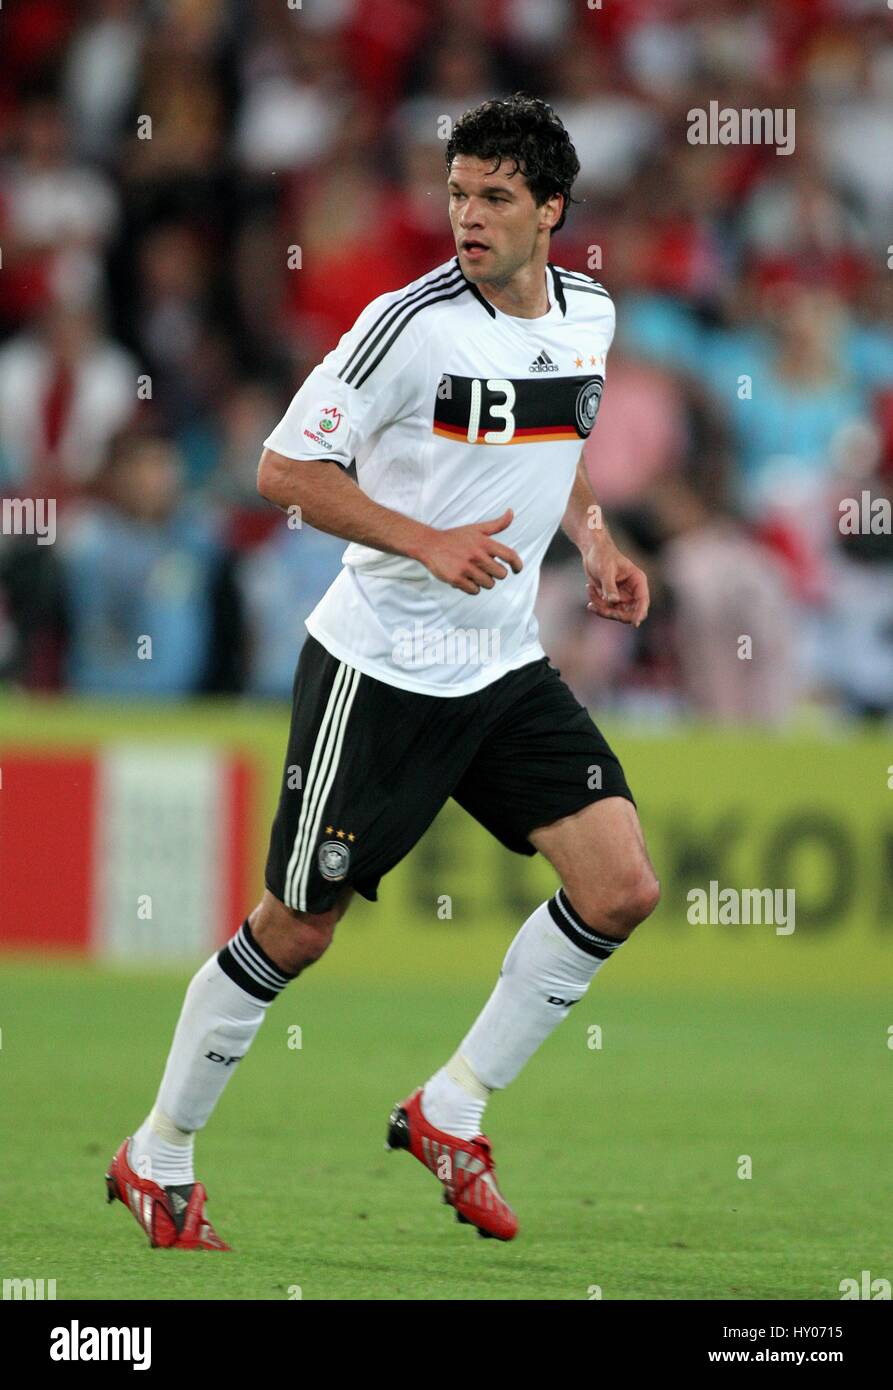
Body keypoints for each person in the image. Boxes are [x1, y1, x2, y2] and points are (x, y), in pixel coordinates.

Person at [106, 94, 660, 1249]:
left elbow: (562, 440)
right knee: (296, 930)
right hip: (382, 663)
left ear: (551, 209)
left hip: (502, 664)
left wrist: (595, 542)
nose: (466, 215)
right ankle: (157, 1150)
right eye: (456, 192)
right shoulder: (407, 325)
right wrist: (425, 539)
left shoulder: (589, 314)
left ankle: (448, 1109)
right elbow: (280, 470)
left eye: (494, 197)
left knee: (618, 887)